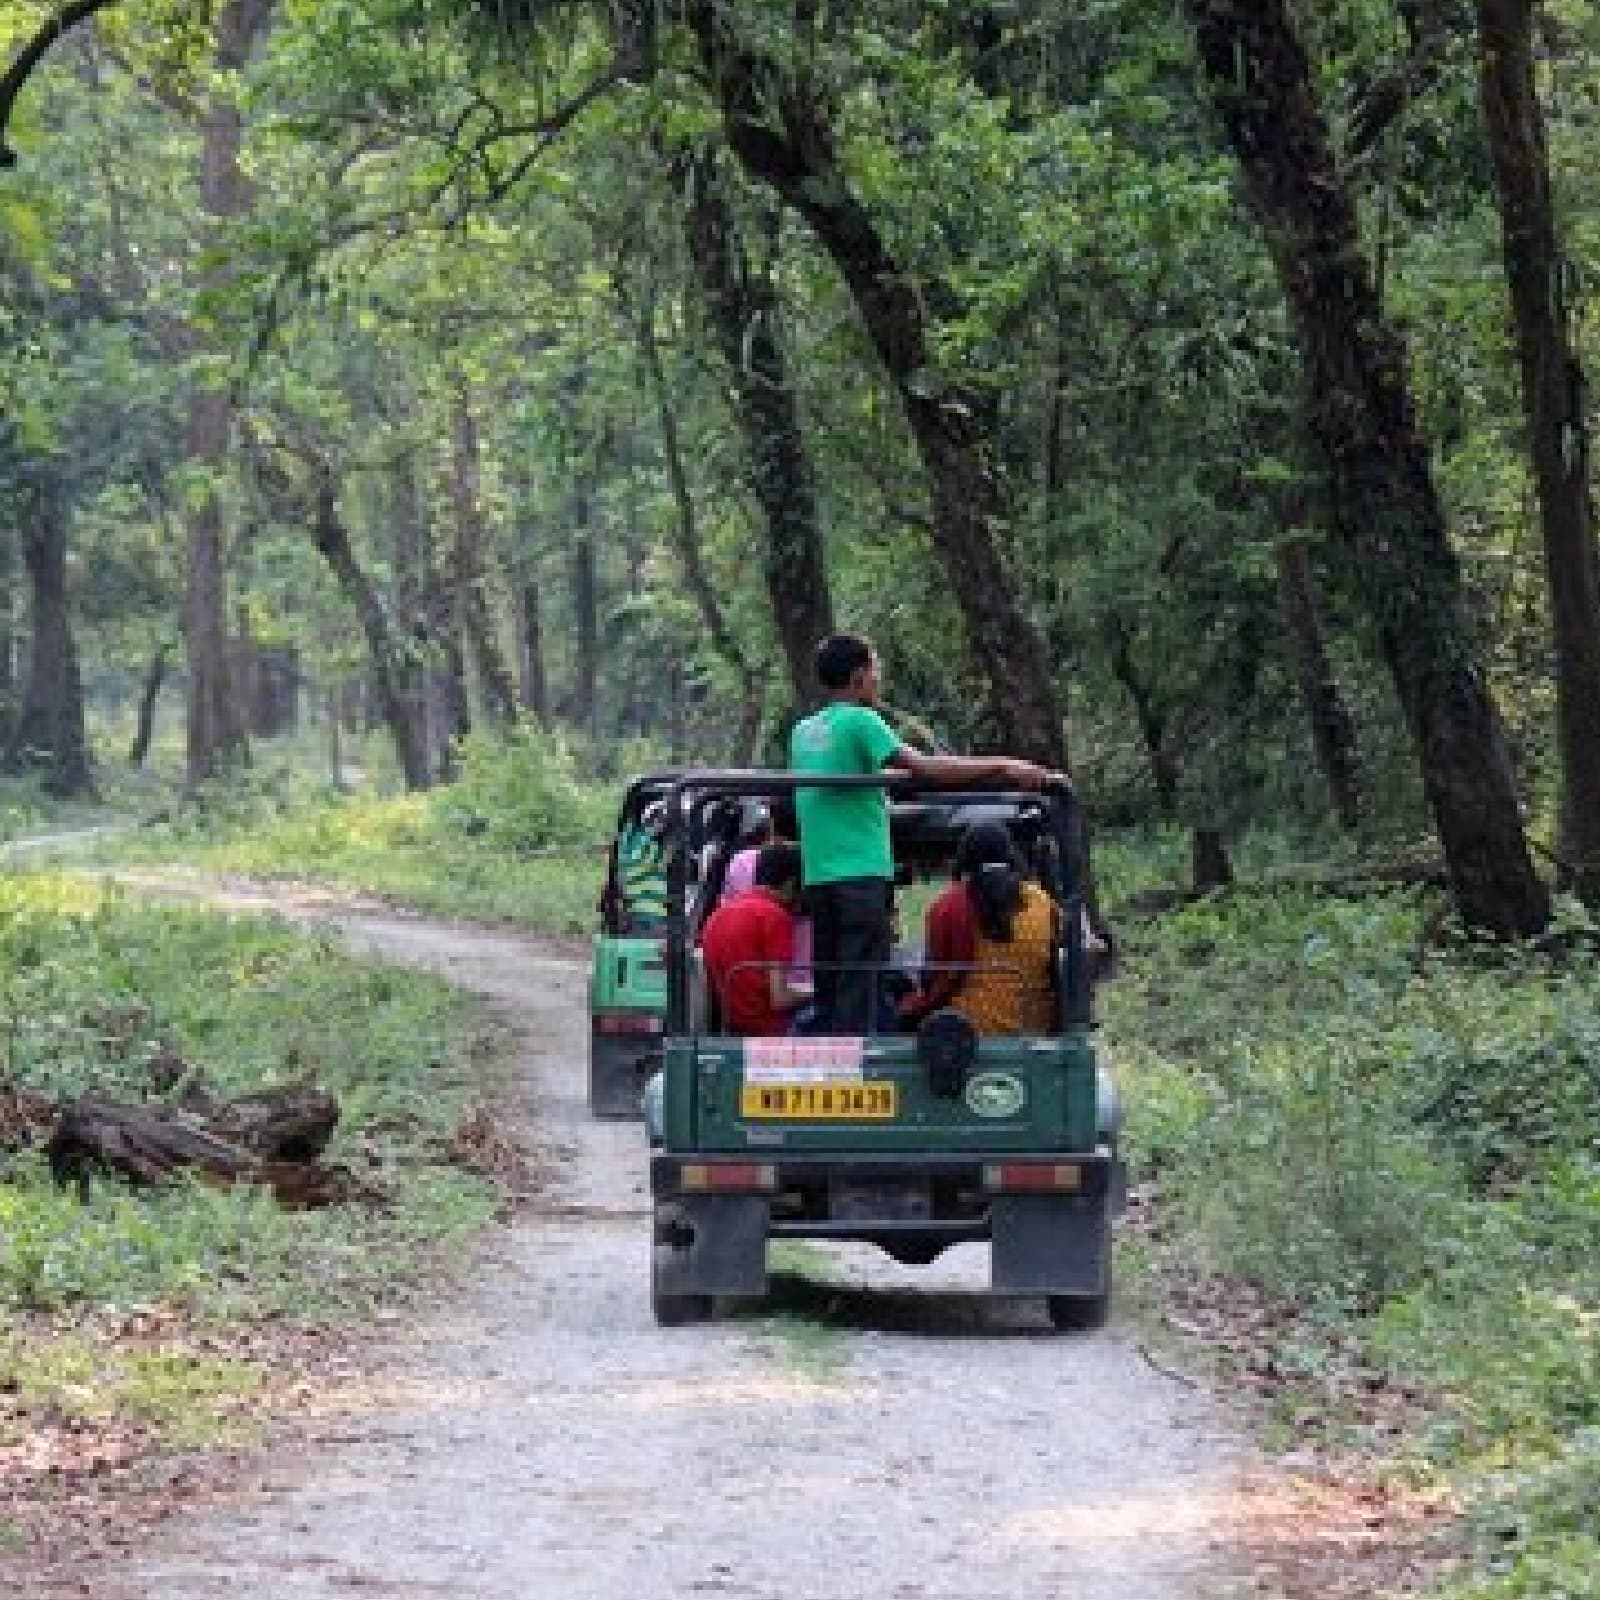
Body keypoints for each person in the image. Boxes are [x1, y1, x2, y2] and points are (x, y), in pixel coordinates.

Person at [789, 632, 1055, 1033]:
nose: (879, 681)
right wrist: (1005, 766)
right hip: (860, 876)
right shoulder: (861, 720)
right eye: (876, 672)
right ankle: (857, 1081)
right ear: (860, 676)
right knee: (860, 993)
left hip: (819, 876)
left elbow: (851, 778)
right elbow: (925, 769)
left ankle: (826, 1071)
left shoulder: (804, 732)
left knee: (833, 985)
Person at [901, 822, 1061, 1035]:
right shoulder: (1042, 902)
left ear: (965, 859)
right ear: (1010, 854)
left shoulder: (948, 906)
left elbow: (934, 980)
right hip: (1032, 1028)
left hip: (968, 1031)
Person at [700, 843, 810, 1037]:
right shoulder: (774, 916)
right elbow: (780, 998)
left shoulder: (719, 915)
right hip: (772, 1029)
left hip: (733, 1025)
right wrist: (819, 993)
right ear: (791, 884)